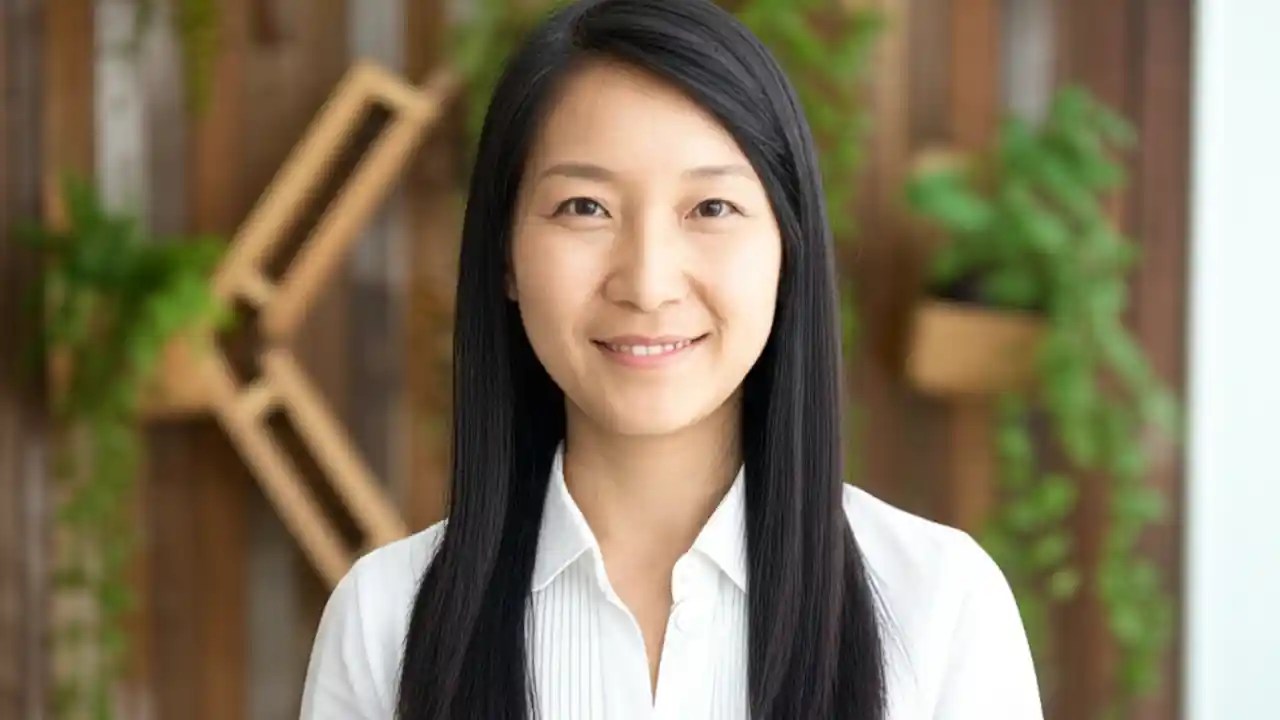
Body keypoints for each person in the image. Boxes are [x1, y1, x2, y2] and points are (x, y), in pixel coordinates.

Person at [300, 0, 1042, 717]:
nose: (649, 284)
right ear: (505, 257)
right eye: (584, 207)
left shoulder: (938, 605)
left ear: (787, 249)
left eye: (711, 209)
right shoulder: (384, 621)